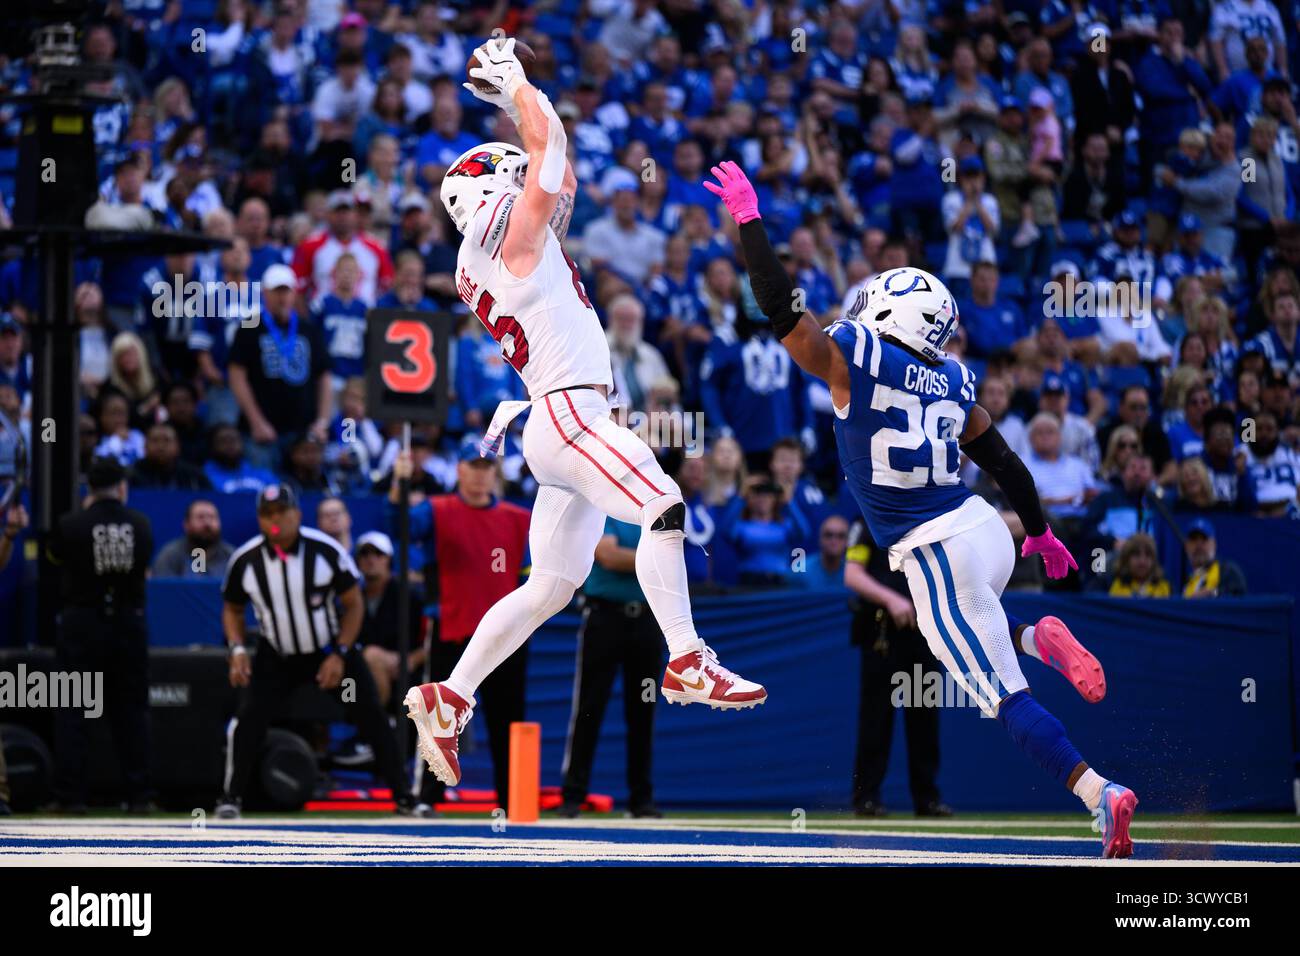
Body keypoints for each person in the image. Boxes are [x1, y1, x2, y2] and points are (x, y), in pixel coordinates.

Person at [707, 161, 1135, 857]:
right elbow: (1005, 463)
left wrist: (751, 224)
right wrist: (1043, 535)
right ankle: (1040, 635)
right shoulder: (955, 375)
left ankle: (1100, 791)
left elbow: (781, 309)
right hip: (984, 529)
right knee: (987, 628)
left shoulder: (855, 354)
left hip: (935, 551)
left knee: (1000, 697)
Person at [403, 39, 766, 791]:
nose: (525, 180)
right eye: (509, 173)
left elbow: (550, 168)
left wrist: (522, 107)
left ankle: (450, 695)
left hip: (555, 414)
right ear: (488, 191)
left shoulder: (483, 258)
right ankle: (688, 658)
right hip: (570, 416)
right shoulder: (506, 234)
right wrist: (519, 91)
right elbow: (552, 157)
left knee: (553, 585)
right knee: (663, 504)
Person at [217, 484, 425, 818]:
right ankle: (231, 798)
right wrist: (238, 648)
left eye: (282, 513)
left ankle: (405, 798)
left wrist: (339, 652)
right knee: (248, 719)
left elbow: (353, 604)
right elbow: (233, 608)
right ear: (259, 519)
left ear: (297, 515)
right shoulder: (245, 560)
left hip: (328, 650)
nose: (275, 521)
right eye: (267, 514)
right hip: (277, 653)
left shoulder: (325, 552)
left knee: (372, 715)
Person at [392, 441, 532, 806]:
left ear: (494, 473)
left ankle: (512, 802)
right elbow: (402, 528)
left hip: (505, 638)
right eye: (473, 465)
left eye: (487, 467)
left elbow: (533, 578)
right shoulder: (437, 510)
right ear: (459, 470)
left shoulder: (518, 519)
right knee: (437, 717)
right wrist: (399, 484)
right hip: (451, 628)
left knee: (508, 722)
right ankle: (427, 797)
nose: (480, 472)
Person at [46, 457, 154, 812]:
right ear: (122, 488)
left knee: (73, 709)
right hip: (127, 624)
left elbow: (55, 561)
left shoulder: (71, 524)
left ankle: (72, 798)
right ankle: (139, 796)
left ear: (88, 489)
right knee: (132, 710)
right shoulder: (141, 524)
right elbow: (144, 569)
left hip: (82, 624)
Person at [559, 516, 666, 819]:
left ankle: (641, 798)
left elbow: (672, 557)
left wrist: (642, 558)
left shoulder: (653, 510)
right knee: (589, 706)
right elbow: (606, 554)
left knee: (644, 709)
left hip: (647, 620)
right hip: (605, 617)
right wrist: (651, 559)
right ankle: (573, 794)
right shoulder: (604, 508)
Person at [843, 515, 948, 818]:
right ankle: (867, 797)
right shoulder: (868, 520)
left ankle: (927, 798)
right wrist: (891, 599)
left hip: (924, 630)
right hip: (882, 631)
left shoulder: (932, 522)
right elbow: (852, 575)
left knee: (925, 716)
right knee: (876, 717)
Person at [354, 531, 425, 709]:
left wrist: (412, 660)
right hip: (363, 669)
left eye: (378, 554)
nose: (371, 559)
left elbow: (433, 637)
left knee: (372, 655)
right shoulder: (353, 599)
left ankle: (379, 724)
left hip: (408, 666)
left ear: (389, 559)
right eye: (365, 554)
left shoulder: (411, 596)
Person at [150, 499, 234, 578]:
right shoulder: (170, 556)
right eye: (200, 517)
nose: (207, 523)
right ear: (186, 524)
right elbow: (162, 591)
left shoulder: (231, 556)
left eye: (212, 517)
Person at [1181, 518, 1248, 597]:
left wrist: (1213, 593)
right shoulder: (1189, 581)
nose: (1199, 545)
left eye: (1204, 539)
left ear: (1214, 544)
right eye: (1193, 539)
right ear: (1186, 546)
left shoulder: (1227, 571)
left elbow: (1238, 595)